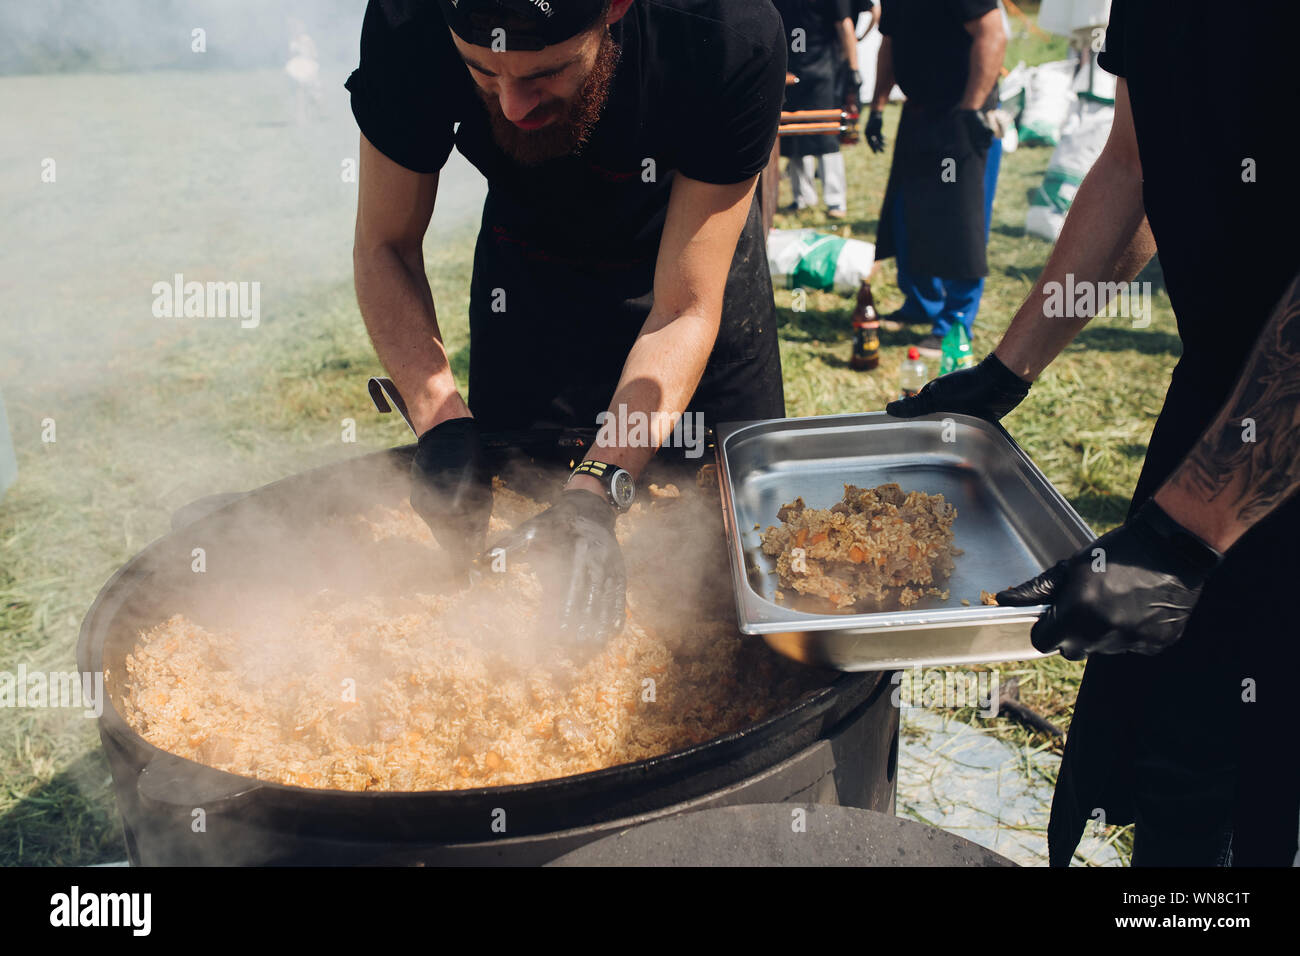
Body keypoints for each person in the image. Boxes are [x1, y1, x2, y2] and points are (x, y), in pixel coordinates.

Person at [888, 0, 1300, 866]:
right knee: (1178, 760)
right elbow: (1133, 166)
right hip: (1217, 410)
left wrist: (1186, 534)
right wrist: (1010, 367)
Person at [347, 0, 787, 643]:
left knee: (729, 574)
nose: (513, 106)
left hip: (689, 273)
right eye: (480, 72)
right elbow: (384, 245)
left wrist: (595, 491)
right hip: (529, 277)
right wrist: (439, 415)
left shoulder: (723, 29)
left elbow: (684, 307)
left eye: (544, 73)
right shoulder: (407, 20)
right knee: (513, 543)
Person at [865, 0, 1005, 357]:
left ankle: (954, 324)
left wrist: (973, 108)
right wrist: (878, 107)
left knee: (960, 222)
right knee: (906, 212)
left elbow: (993, 34)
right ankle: (920, 304)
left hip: (964, 113)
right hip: (921, 113)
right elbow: (890, 43)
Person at [775, 0, 862, 219]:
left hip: (823, 69)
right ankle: (802, 197)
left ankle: (835, 200)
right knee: (793, 132)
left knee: (827, 135)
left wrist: (853, 68)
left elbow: (844, 24)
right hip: (788, 68)